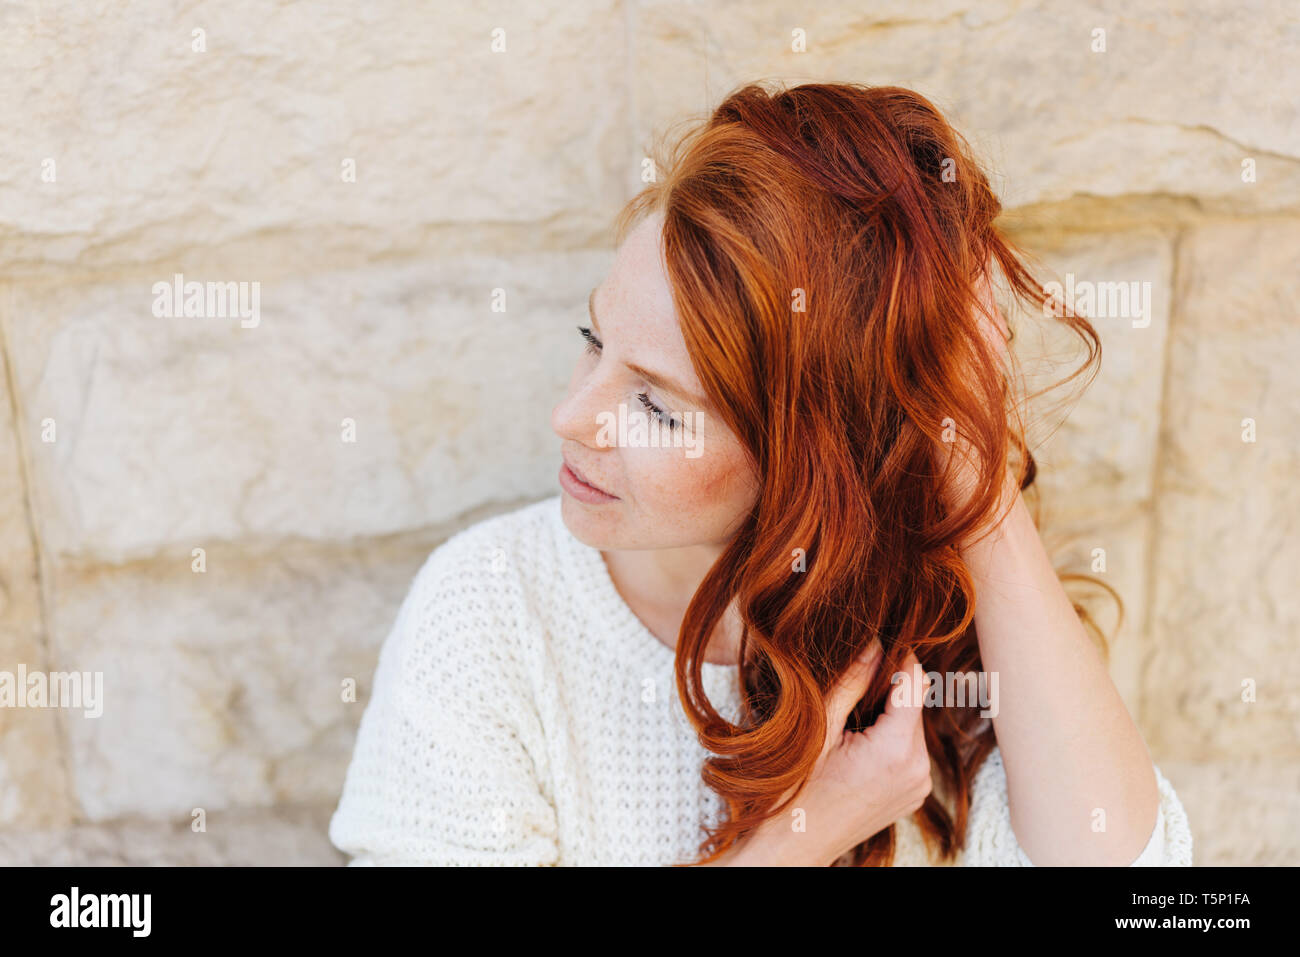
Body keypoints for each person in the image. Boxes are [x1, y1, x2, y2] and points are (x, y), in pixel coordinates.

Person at [328, 81, 1193, 866]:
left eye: (657, 407)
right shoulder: (489, 612)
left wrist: (979, 494)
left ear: (811, 462)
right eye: (595, 344)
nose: (571, 417)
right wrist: (806, 831)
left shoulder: (935, 636)